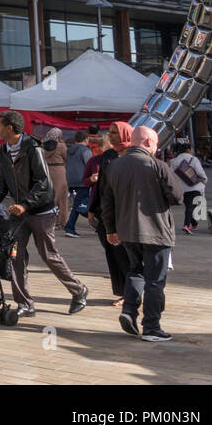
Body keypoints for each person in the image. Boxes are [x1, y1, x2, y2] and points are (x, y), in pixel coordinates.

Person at [0, 110, 88, 317]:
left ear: (10, 128)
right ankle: (24, 303)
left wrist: (25, 204)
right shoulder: (3, 150)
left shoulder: (33, 148)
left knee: (48, 255)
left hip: (41, 211)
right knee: (15, 256)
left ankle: (78, 290)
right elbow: (3, 181)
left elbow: (43, 183)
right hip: (18, 212)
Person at [100, 126, 183, 342]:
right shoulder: (157, 165)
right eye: (155, 144)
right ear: (147, 142)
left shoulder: (114, 166)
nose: (156, 148)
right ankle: (152, 328)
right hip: (155, 231)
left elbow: (106, 202)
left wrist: (111, 229)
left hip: (127, 232)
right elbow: (177, 196)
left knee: (135, 272)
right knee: (155, 281)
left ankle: (129, 311)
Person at [86, 121, 134, 307]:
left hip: (124, 213)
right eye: (111, 132)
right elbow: (101, 185)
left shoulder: (133, 155)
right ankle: (123, 291)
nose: (111, 135)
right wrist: (92, 208)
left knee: (125, 253)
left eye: (116, 133)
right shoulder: (107, 156)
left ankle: (133, 292)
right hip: (105, 212)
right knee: (112, 252)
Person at [168, 140, 207, 234]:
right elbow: (200, 173)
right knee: (192, 207)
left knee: (190, 206)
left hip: (182, 189)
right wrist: (204, 181)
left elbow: (172, 175)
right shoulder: (193, 159)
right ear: (188, 149)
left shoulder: (173, 161)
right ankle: (186, 225)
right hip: (195, 187)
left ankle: (194, 223)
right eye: (192, 149)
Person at [64, 130, 92, 237]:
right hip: (82, 181)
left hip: (70, 180)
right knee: (78, 205)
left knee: (76, 203)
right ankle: (70, 227)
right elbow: (89, 165)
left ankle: (69, 226)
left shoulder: (70, 150)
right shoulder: (85, 151)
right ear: (86, 139)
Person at [42, 128, 69, 229]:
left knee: (49, 196)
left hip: (46, 170)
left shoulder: (43, 144)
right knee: (61, 197)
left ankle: (47, 220)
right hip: (59, 171)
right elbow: (66, 157)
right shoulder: (61, 146)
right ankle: (61, 222)